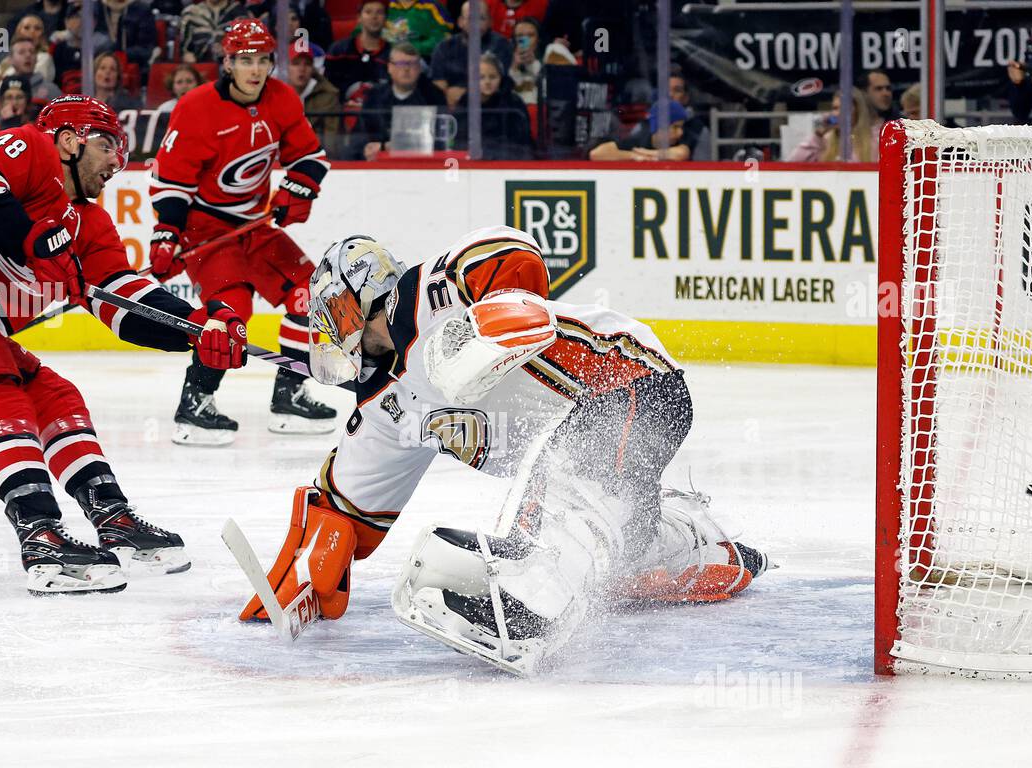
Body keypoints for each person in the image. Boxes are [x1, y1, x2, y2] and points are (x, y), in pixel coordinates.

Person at [240, 227, 769, 675]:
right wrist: (311, 573)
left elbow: (517, 259)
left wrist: (484, 331)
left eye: (333, 307)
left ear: (360, 294)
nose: (330, 326)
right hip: (569, 436)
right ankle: (686, 538)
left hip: (626, 383)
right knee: (611, 547)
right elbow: (346, 510)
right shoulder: (384, 408)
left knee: (568, 493)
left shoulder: (431, 292)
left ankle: (533, 606)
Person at [0, 96, 249, 594]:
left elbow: (124, 301)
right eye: (108, 147)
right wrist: (32, 237)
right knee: (0, 393)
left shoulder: (92, 227)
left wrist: (197, 327)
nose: (115, 164)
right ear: (69, 139)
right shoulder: (31, 148)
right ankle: (41, 535)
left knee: (54, 396)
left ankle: (112, 516)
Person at [149, 19, 337, 442]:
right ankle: (194, 404)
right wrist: (167, 234)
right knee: (230, 316)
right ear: (228, 63)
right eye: (245, 60)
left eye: (263, 60)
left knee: (311, 295)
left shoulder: (282, 98)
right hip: (205, 228)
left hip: (256, 224)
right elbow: (170, 183)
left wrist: (297, 189)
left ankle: (290, 395)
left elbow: (312, 156)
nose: (255, 70)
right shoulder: (196, 107)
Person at [358, 42, 446, 160]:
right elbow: (358, 139)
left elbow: (442, 142)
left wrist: (387, 147)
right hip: (378, 168)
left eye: (412, 64)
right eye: (401, 64)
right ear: (390, 67)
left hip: (423, 167)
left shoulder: (434, 96)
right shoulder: (374, 97)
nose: (406, 69)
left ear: (419, 69)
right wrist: (367, 149)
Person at [430, 0, 513, 108]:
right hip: (454, 109)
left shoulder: (501, 45)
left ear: (490, 22)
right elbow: (438, 86)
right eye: (470, 18)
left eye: (481, 18)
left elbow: (502, 85)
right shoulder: (444, 48)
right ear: (460, 22)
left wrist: (465, 93)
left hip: (493, 108)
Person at [456, 53, 532, 159]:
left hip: (507, 162)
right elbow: (459, 140)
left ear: (500, 77)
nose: (487, 82)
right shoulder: (465, 102)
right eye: (481, 77)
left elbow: (521, 143)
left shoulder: (513, 103)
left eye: (492, 77)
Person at [325, 0, 391, 103]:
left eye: (379, 12)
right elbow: (327, 87)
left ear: (386, 20)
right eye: (368, 12)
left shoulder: (393, 55)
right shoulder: (338, 50)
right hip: (341, 112)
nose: (374, 17)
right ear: (359, 18)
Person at [787, 88, 877, 163]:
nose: (836, 113)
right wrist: (818, 135)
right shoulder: (825, 141)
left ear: (858, 110)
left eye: (844, 108)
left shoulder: (875, 140)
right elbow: (793, 162)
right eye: (835, 108)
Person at [588, 98, 690, 162]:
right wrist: (633, 156)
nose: (680, 133)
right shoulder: (638, 140)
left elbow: (681, 154)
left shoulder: (681, 140)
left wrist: (646, 154)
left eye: (681, 127)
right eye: (675, 127)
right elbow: (596, 154)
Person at [288, 40, 343, 155]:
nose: (302, 69)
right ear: (286, 67)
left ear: (313, 68)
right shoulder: (273, 95)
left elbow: (331, 142)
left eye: (307, 64)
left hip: (316, 157)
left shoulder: (328, 97)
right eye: (296, 63)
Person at [51, 2, 114, 78]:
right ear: (66, 22)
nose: (82, 21)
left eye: (87, 16)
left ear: (95, 23)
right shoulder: (59, 48)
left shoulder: (103, 48)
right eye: (76, 16)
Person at [100, 0, 159, 76]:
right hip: (102, 60)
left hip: (132, 61)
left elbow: (146, 48)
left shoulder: (141, 10)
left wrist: (118, 55)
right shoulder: (100, 7)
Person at [179, 0, 248, 62]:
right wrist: (187, 56)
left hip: (231, 63)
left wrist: (229, 50)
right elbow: (185, 48)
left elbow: (245, 44)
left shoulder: (239, 12)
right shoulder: (191, 13)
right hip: (200, 65)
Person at [384, 0, 451, 61]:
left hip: (424, 59)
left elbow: (444, 37)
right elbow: (382, 34)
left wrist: (414, 48)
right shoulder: (387, 6)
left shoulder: (432, 7)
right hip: (389, 57)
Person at [669, 66, 711, 161]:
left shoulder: (699, 130)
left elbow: (703, 170)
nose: (670, 95)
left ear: (686, 98)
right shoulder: (647, 125)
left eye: (677, 90)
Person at [507, 16, 542, 106]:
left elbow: (548, 89)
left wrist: (533, 64)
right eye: (520, 36)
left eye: (530, 35)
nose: (524, 40)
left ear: (538, 40)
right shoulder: (505, 61)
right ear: (514, 40)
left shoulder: (547, 59)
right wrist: (514, 68)